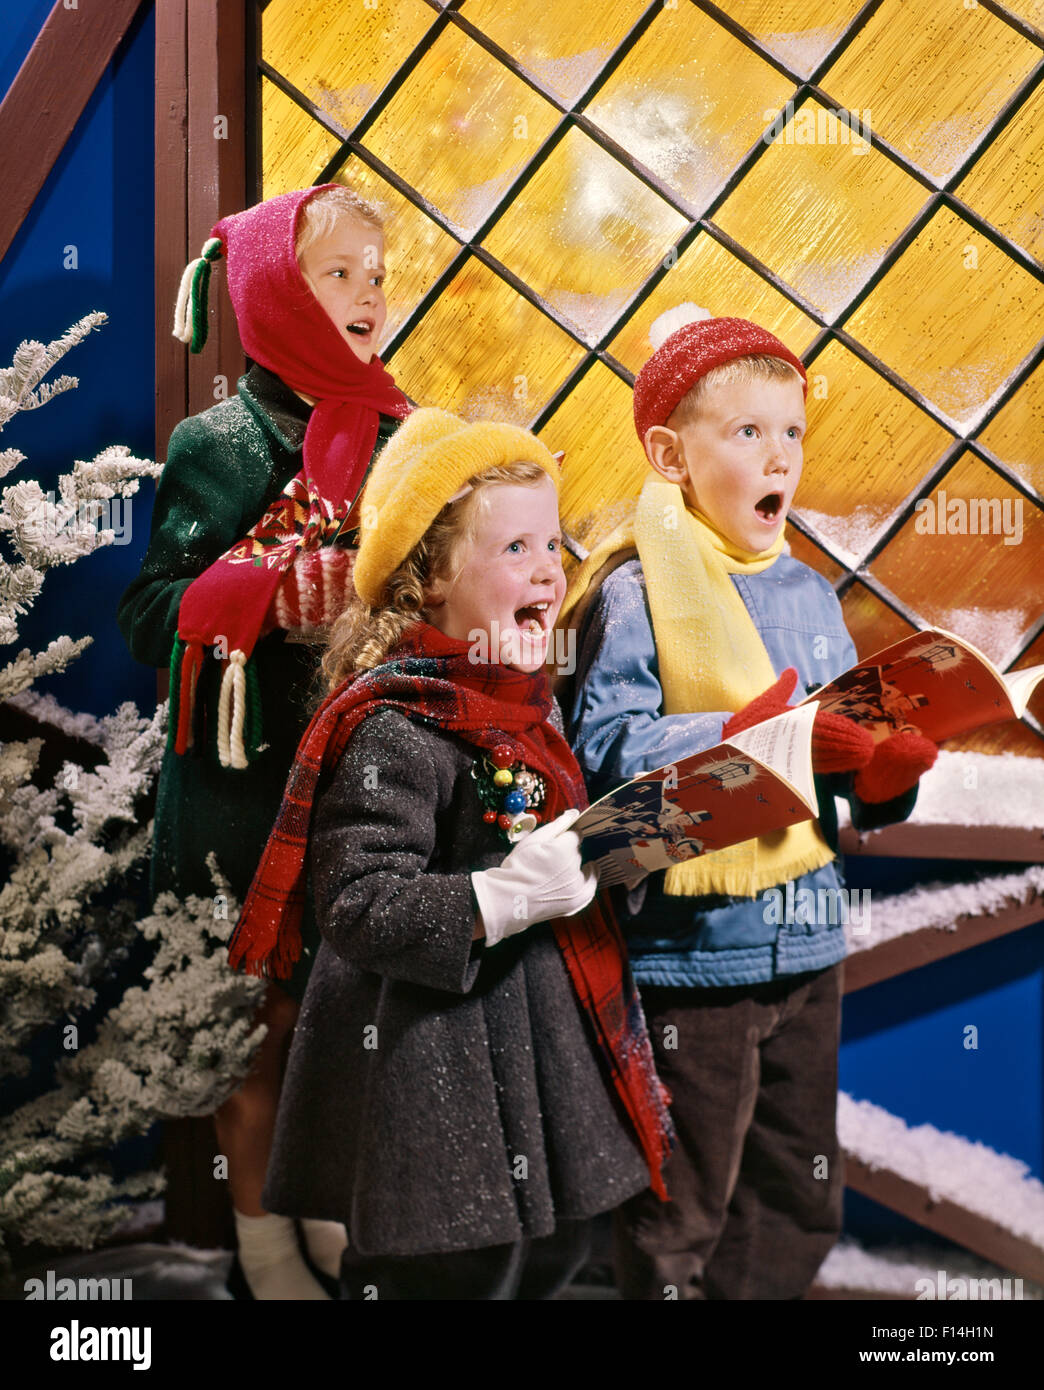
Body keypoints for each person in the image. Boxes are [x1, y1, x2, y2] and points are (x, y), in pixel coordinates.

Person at [226, 407, 674, 1300]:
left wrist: (627, 852)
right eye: (515, 550)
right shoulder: (391, 725)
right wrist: (498, 899)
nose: (548, 569)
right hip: (429, 1068)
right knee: (446, 1271)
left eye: (554, 546)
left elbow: (557, 850)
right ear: (428, 580)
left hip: (540, 1045)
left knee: (550, 1255)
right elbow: (356, 906)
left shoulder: (526, 704)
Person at [561, 305, 936, 1300]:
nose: (782, 456)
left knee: (796, 1193)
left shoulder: (814, 600)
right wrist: (748, 733)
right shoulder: (634, 594)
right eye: (749, 432)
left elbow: (842, 775)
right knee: (680, 1204)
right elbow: (611, 768)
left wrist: (883, 774)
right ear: (671, 454)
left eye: (794, 432)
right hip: (696, 959)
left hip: (811, 944)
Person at [117, 184, 410, 1298]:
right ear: (272, 291)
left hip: (362, 786)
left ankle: (329, 1216)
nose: (368, 293)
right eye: (339, 272)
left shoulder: (404, 434)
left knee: (346, 1021)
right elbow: (150, 611)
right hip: (242, 792)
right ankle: (261, 1240)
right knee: (260, 1028)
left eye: (377, 273)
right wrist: (263, 596)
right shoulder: (220, 444)